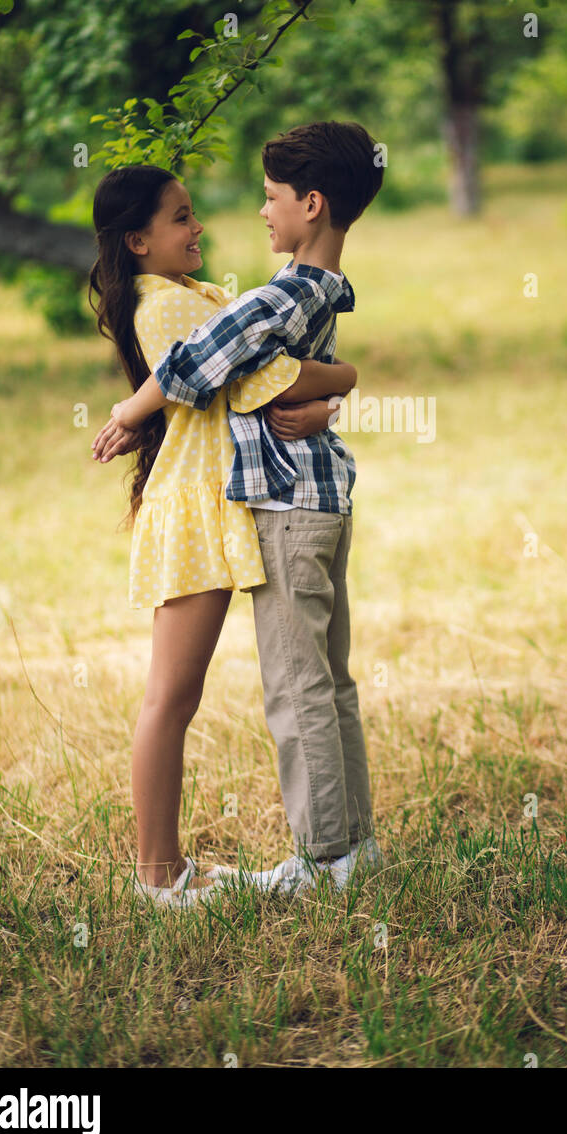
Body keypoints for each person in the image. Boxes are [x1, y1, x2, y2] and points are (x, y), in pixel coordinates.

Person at [92, 121, 384, 900]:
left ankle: (334, 855)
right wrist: (337, 381)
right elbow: (256, 376)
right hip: (204, 509)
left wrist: (335, 383)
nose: (215, 223)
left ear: (311, 204)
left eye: (268, 197)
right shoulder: (171, 307)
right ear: (136, 243)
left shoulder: (241, 293)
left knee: (303, 684)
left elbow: (260, 369)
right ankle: (164, 875)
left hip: (270, 502)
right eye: (181, 217)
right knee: (196, 693)